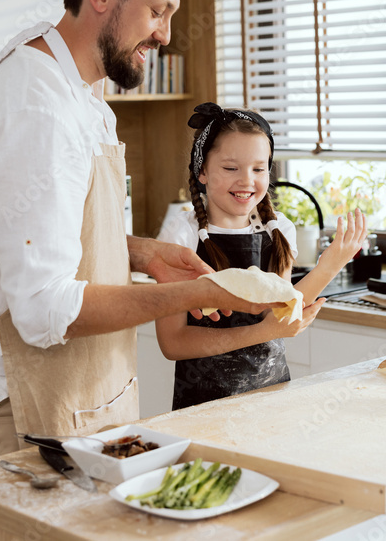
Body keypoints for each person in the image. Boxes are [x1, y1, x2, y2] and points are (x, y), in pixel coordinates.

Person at [0, 0, 306, 456]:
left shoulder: (78, 93)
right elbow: (45, 309)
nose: (164, 34)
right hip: (39, 396)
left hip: (86, 387)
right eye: (156, 10)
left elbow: (54, 232)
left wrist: (142, 253)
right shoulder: (36, 108)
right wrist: (194, 293)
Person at [157, 102, 367, 410]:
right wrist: (262, 332)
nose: (246, 180)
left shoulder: (278, 229)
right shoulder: (182, 235)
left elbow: (281, 312)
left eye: (258, 169)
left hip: (273, 397)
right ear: (201, 170)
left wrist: (332, 263)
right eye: (231, 168)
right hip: (202, 405)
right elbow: (172, 342)